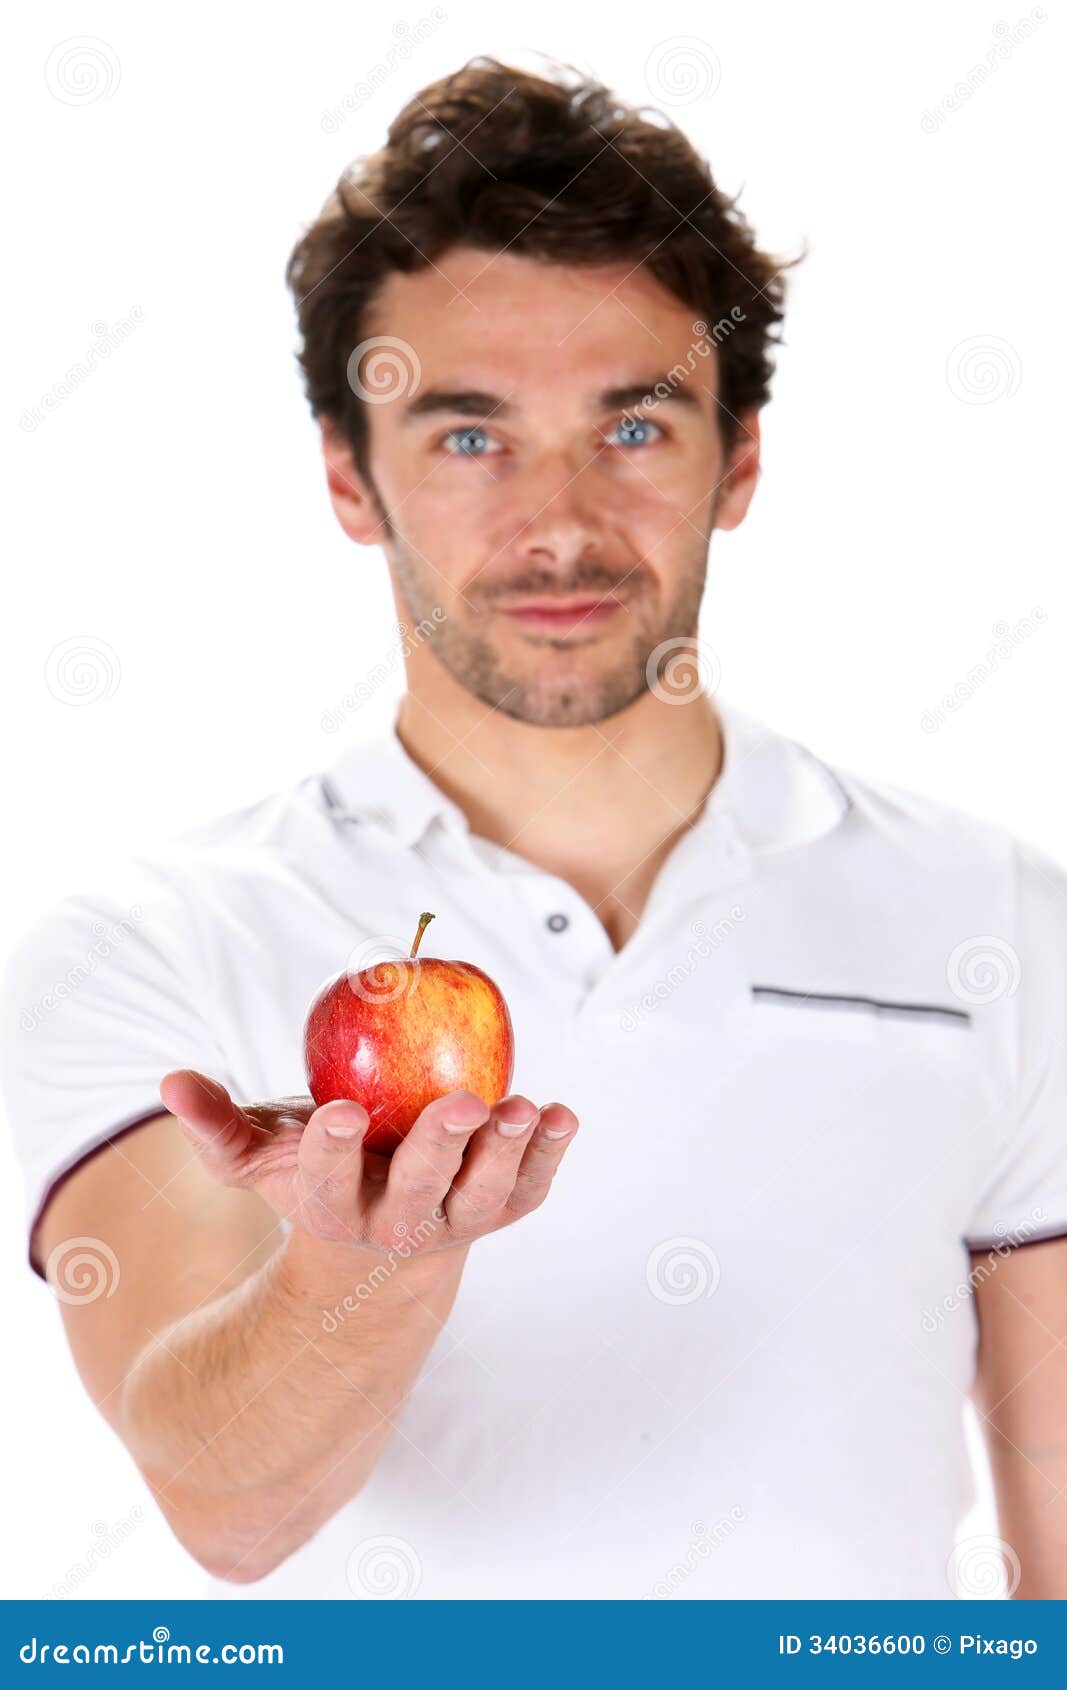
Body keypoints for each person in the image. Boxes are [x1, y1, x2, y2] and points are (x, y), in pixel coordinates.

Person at [3, 55, 1065, 1602]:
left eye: (632, 429)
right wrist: (371, 1261)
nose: (558, 519)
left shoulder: (1005, 919)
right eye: (468, 435)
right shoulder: (153, 945)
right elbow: (223, 1506)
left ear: (739, 460)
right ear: (350, 481)